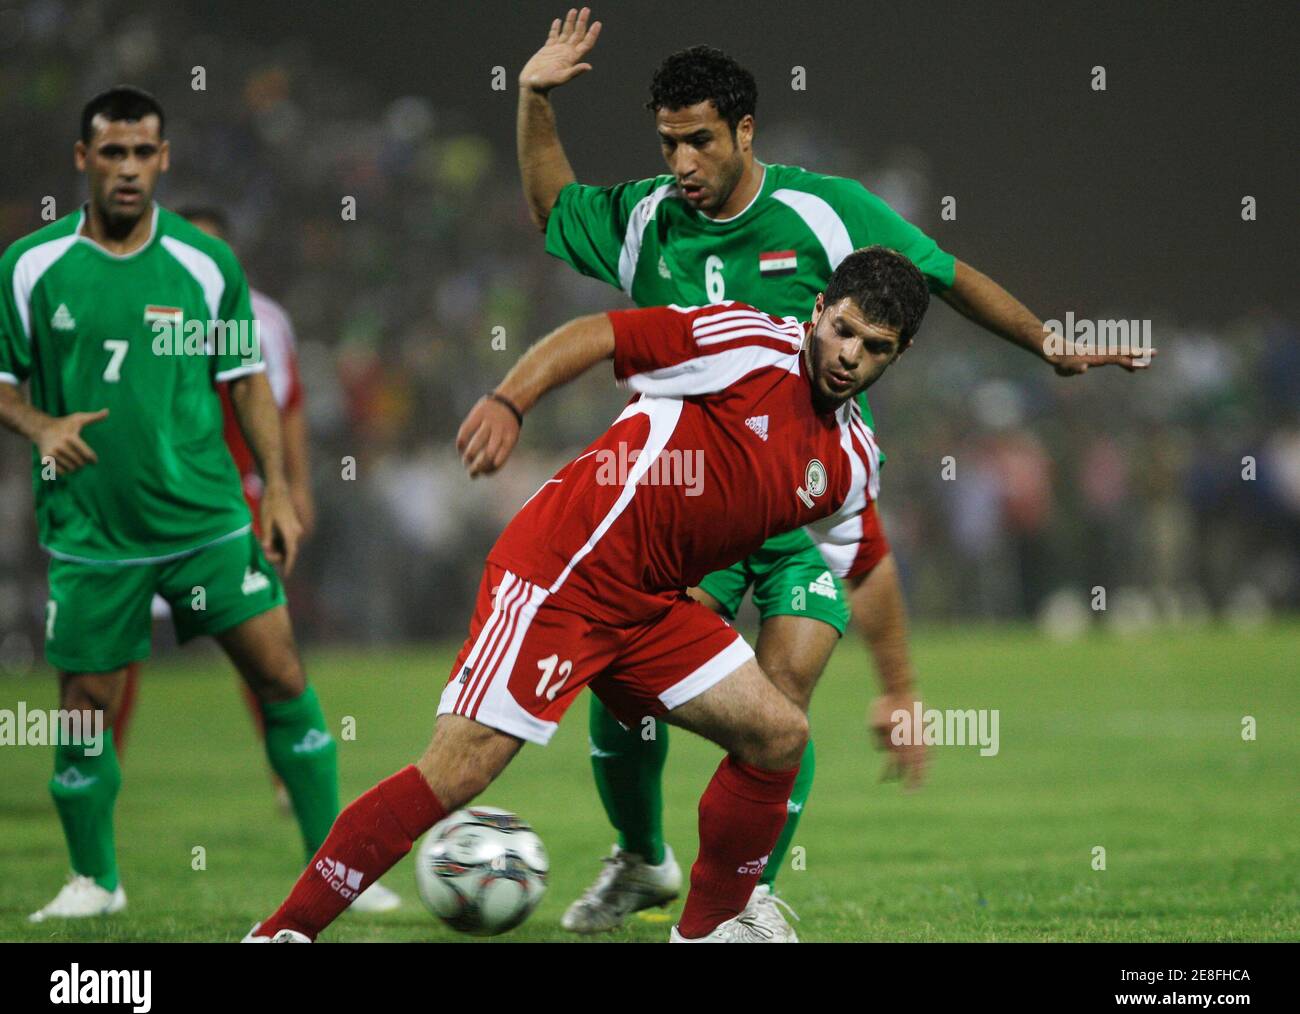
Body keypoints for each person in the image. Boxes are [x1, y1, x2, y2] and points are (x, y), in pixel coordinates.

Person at [516, 9, 1147, 936]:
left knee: (782, 704)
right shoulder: (645, 217)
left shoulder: (827, 208)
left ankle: (749, 894)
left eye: (699, 141)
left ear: (744, 133)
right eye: (667, 142)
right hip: (682, 516)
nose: (682, 162)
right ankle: (643, 858)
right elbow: (550, 207)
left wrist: (1045, 340)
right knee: (623, 696)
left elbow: (943, 272)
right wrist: (532, 96)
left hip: (801, 510)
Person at [248, 246, 934, 943]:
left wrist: (899, 688)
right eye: (842, 329)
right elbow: (602, 333)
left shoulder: (848, 459)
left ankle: (708, 931)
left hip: (651, 607)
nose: (849, 355)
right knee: (460, 768)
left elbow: (869, 560)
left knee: (777, 734)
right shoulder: (749, 345)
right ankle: (282, 933)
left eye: (874, 346)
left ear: (898, 353)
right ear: (818, 310)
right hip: (564, 572)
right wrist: (510, 400)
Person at [0, 86, 396, 920]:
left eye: (145, 153)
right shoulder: (30, 266)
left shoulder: (204, 263)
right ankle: (94, 882)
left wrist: (280, 491)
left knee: (283, 677)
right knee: (83, 710)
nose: (130, 170)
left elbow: (247, 382)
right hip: (92, 531)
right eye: (113, 153)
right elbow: (3, 382)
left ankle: (338, 877)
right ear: (83, 160)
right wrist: (38, 424)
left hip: (207, 522)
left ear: (165, 158)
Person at [110, 204, 318, 820]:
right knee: (115, 645)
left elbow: (288, 405)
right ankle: (99, 772)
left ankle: (289, 774)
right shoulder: (137, 308)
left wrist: (293, 486)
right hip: (144, 499)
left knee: (264, 645)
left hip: (235, 501)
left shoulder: (264, 319)